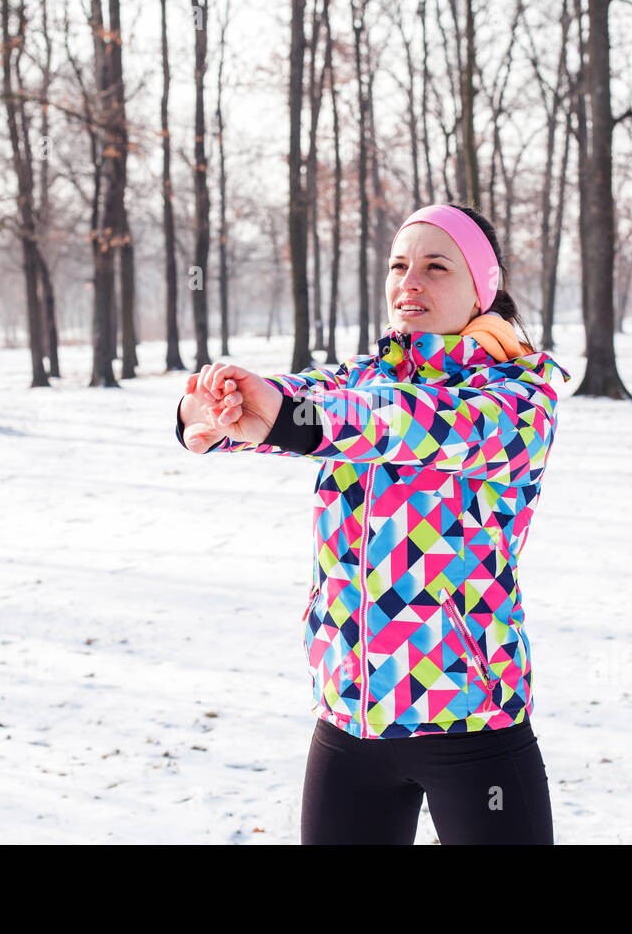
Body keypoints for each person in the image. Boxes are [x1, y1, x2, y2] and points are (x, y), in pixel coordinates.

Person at [174, 202, 570, 844]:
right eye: (398, 265)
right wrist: (215, 410)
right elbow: (296, 406)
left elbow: (404, 425)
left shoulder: (520, 396)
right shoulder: (359, 378)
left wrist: (293, 420)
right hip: (350, 723)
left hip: (471, 725)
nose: (409, 282)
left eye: (436, 267)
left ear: (482, 290)